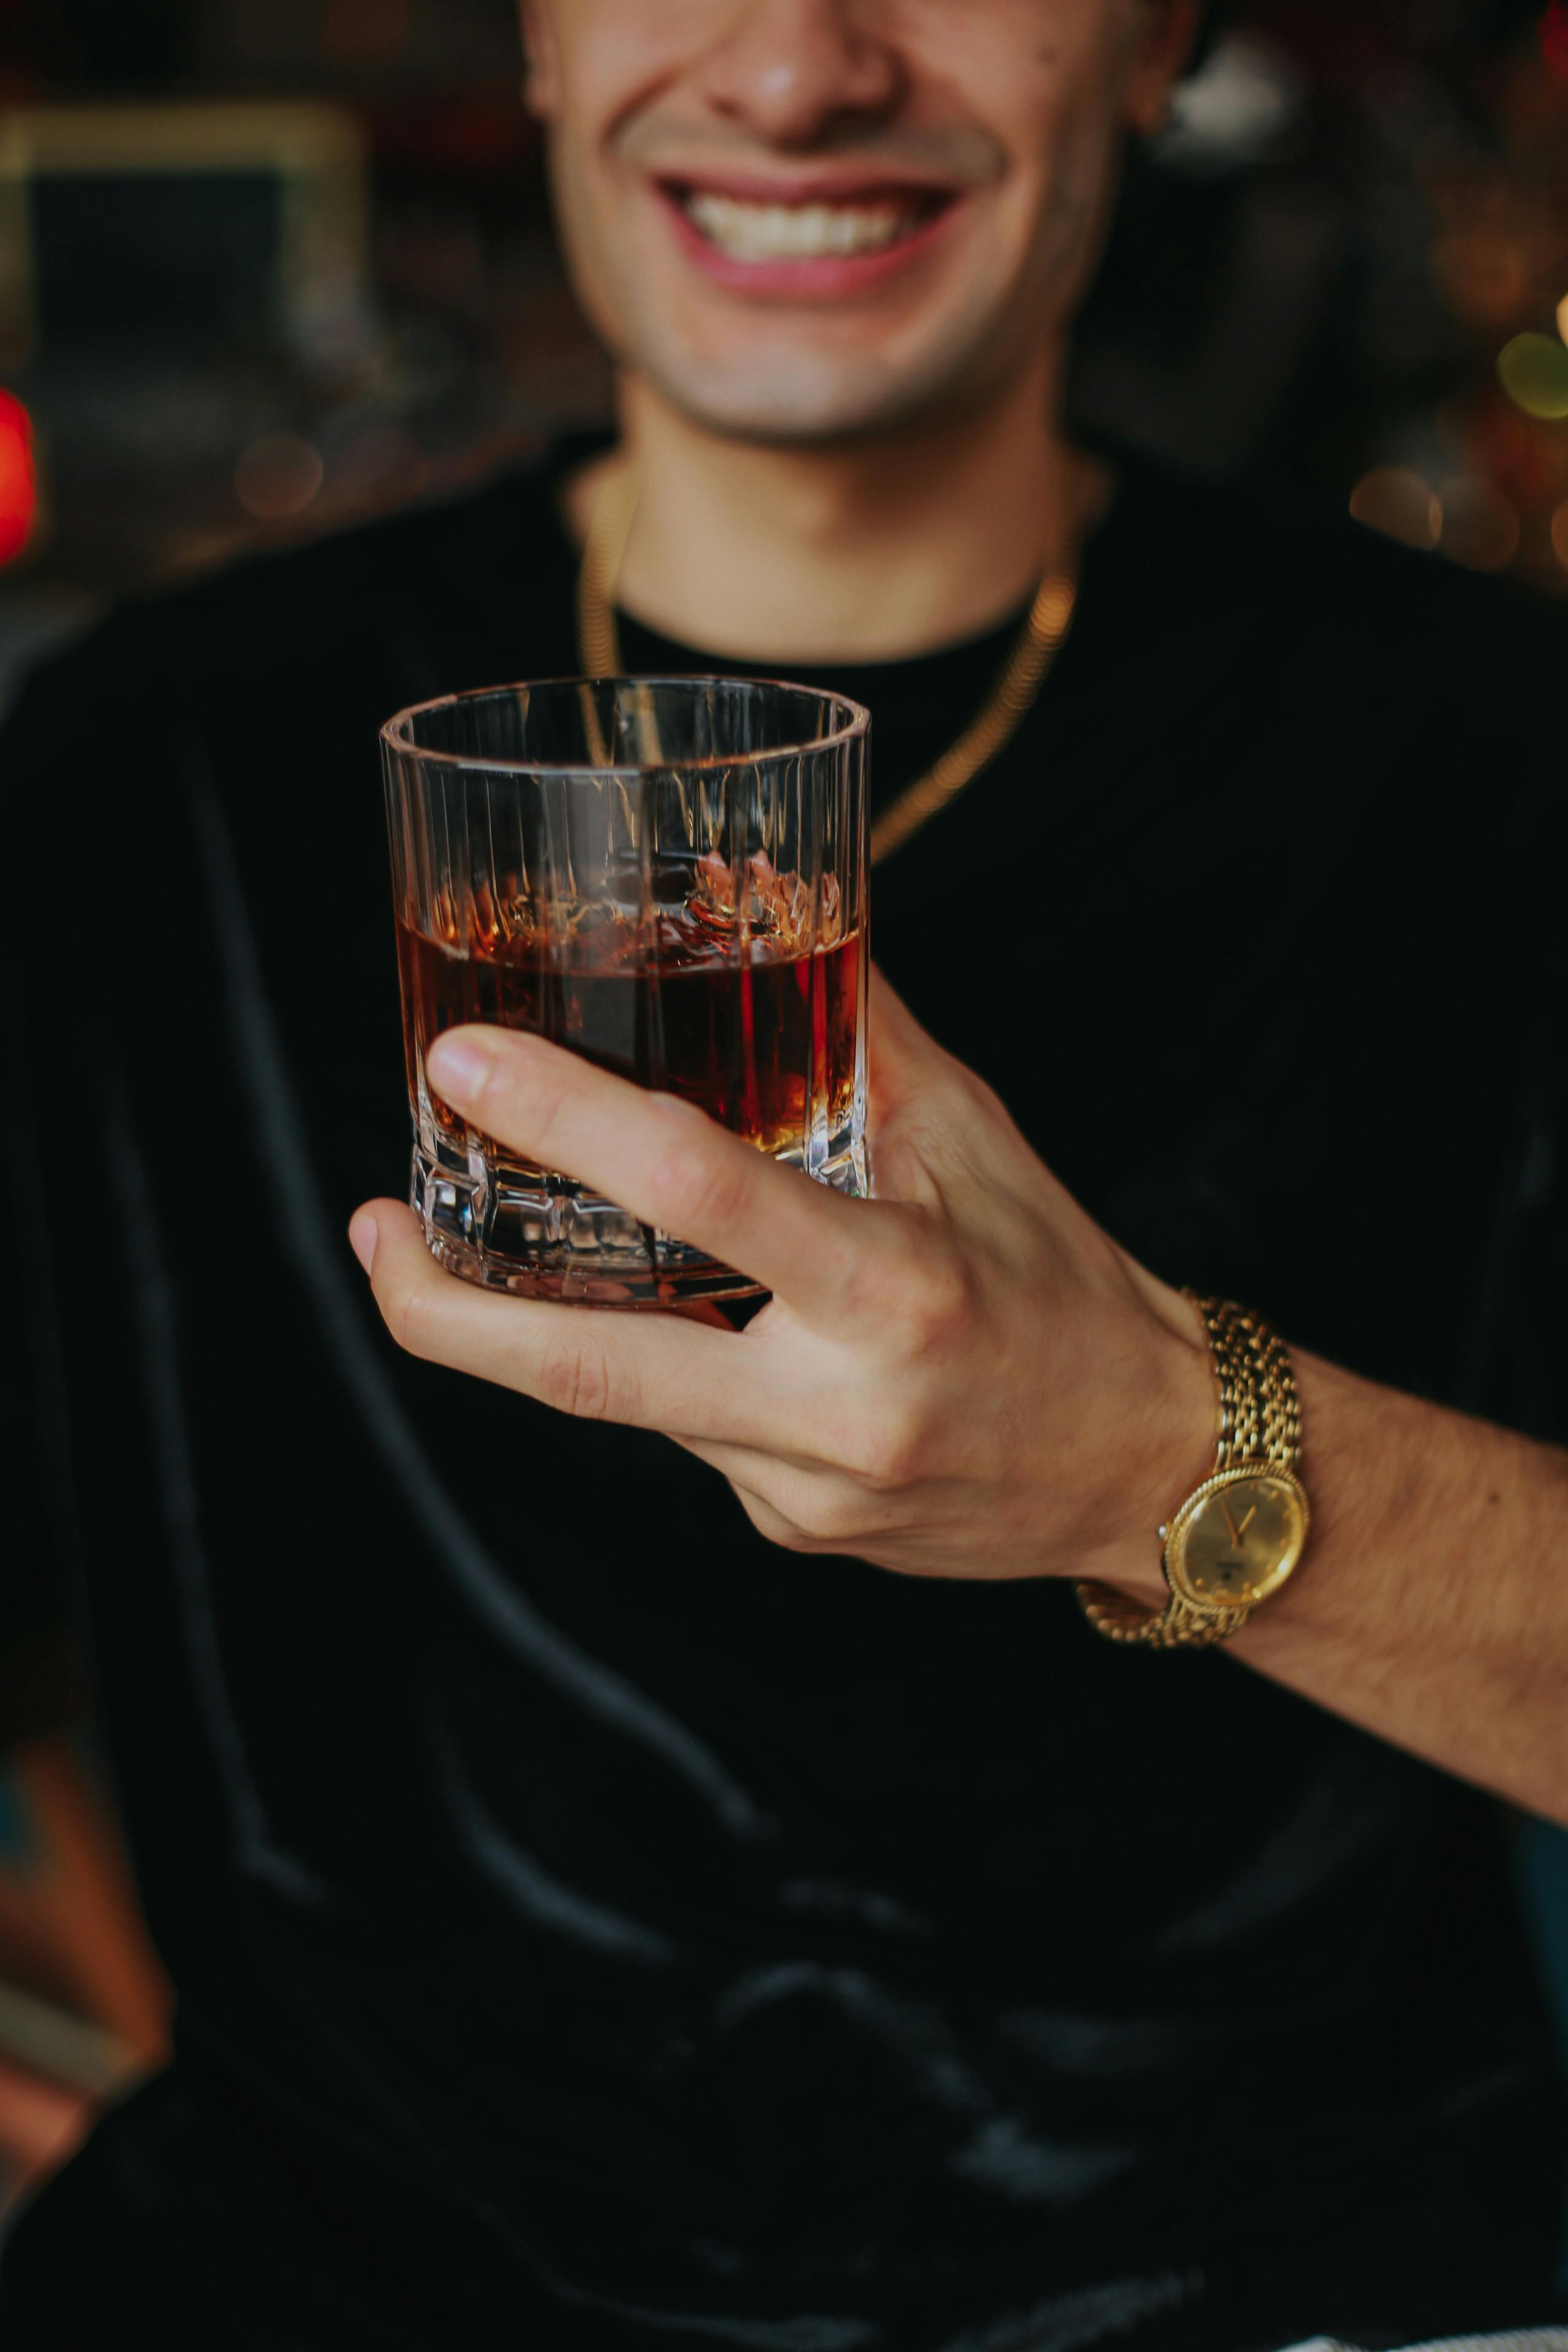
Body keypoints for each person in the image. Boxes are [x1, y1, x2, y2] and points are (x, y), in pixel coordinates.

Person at [2, 1, 1567, 2344]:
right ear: (533, 38)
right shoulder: (152, 757)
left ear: (1155, 53)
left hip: (1263, 2280)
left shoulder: (1499, 755)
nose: (799, 66)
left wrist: (1163, 1454)